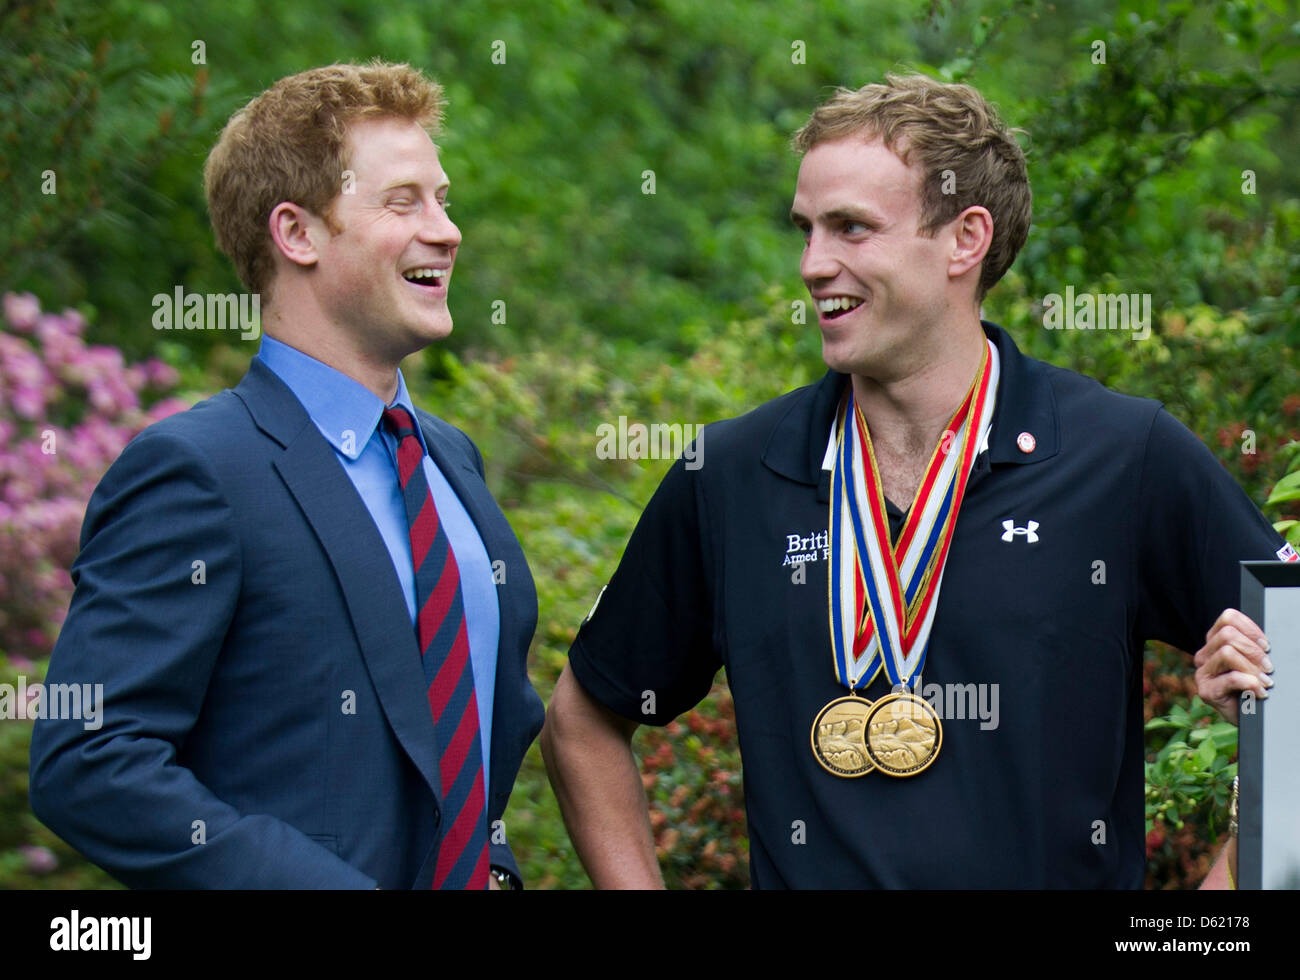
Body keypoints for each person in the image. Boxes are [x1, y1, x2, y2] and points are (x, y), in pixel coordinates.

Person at [540, 73, 1284, 889]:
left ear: (965, 239)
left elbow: (1294, 687)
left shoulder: (1122, 455)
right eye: (807, 230)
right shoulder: (730, 476)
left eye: (851, 229)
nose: (814, 265)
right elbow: (584, 721)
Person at [29, 61, 542, 890]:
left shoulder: (451, 462)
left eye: (444, 200)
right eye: (404, 201)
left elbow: (471, 758)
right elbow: (87, 756)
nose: (447, 230)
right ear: (297, 233)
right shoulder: (195, 471)